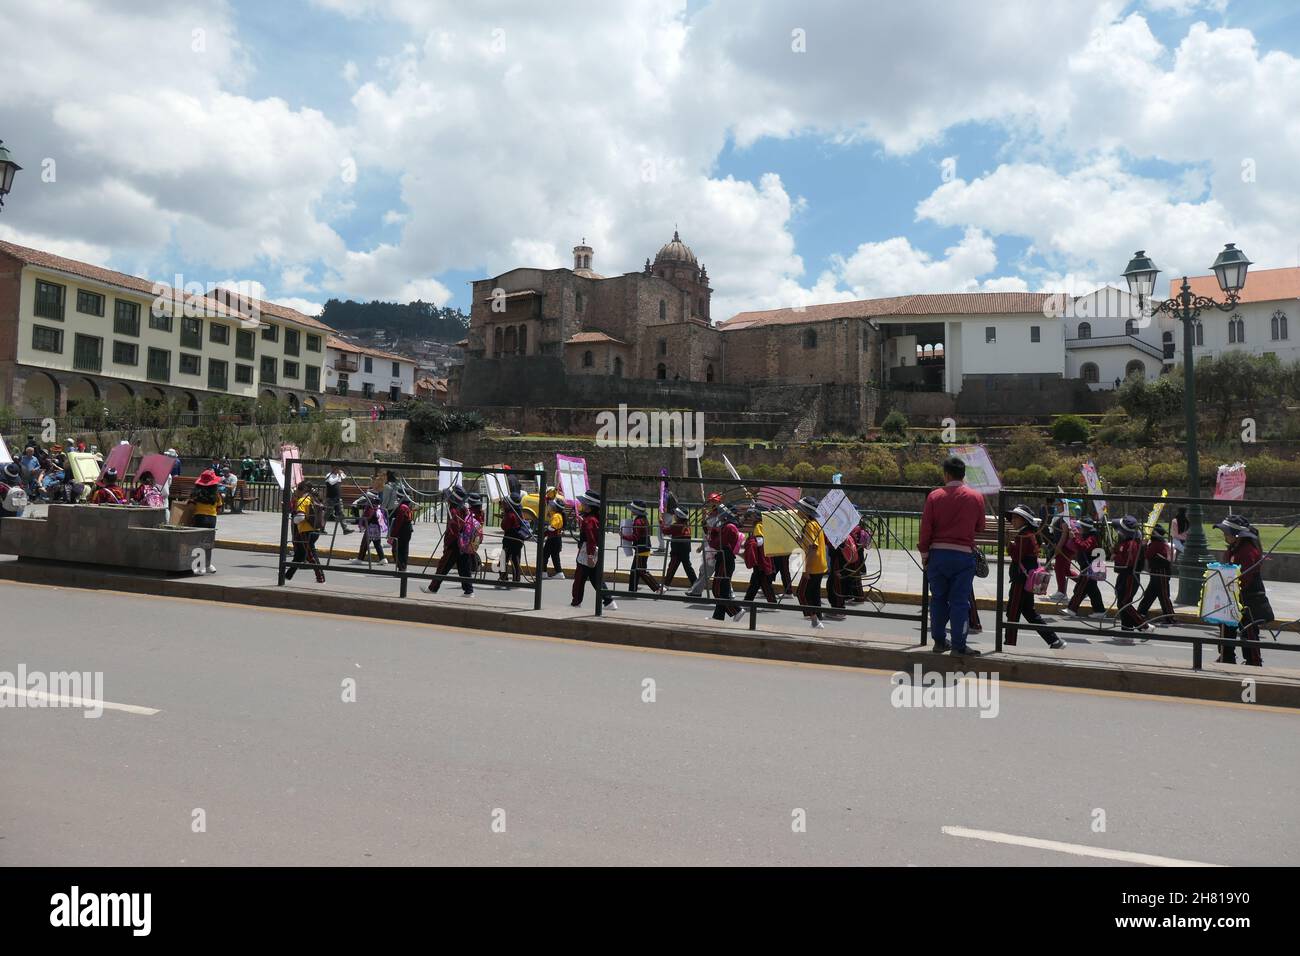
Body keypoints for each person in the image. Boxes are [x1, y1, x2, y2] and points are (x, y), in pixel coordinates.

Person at [918, 456, 987, 655]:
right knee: (959, 602)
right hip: (963, 557)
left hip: (937, 556)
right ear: (963, 475)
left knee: (938, 599)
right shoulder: (976, 497)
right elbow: (980, 526)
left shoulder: (934, 496)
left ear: (946, 474)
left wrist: (924, 554)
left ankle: (939, 641)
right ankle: (959, 645)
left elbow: (926, 530)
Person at [1003, 505, 1066, 649]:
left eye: (1015, 518)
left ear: (1023, 520)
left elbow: (1016, 556)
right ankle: (1054, 640)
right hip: (1026, 580)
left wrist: (1008, 544)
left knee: (1013, 612)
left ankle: (1009, 643)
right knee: (1029, 613)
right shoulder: (1028, 533)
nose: (1012, 521)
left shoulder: (1024, 536)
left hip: (1021, 580)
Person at [1215, 515, 1270, 666]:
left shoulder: (1248, 551)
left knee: (1249, 629)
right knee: (1226, 625)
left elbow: (1245, 577)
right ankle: (1227, 657)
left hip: (1248, 596)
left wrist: (1232, 587)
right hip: (1232, 595)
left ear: (1237, 534)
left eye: (1227, 532)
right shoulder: (1234, 548)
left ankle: (1253, 660)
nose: (1225, 535)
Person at [571, 491, 616, 609]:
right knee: (596, 579)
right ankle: (609, 601)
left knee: (579, 579)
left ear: (589, 507)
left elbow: (591, 539)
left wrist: (590, 556)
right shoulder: (593, 518)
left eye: (584, 503)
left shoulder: (589, 520)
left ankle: (576, 602)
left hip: (587, 553)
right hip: (592, 552)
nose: (582, 504)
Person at [428, 485, 468, 593]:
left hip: (454, 543)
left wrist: (447, 545)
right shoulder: (463, 509)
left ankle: (433, 588)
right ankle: (469, 590)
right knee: (463, 568)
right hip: (462, 543)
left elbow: (454, 530)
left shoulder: (454, 511)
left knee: (443, 566)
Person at [796, 495, 828, 629]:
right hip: (820, 565)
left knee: (801, 593)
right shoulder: (815, 524)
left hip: (812, 566)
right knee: (814, 594)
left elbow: (812, 548)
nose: (797, 510)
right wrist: (801, 540)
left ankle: (815, 620)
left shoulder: (809, 526)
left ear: (805, 510)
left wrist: (806, 570)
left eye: (799, 508)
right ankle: (818, 619)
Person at [1064, 517, 1106, 617]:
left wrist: (1074, 538)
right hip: (1088, 567)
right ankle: (1099, 611)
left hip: (1089, 568)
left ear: (1085, 528)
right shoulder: (1088, 536)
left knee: (1080, 588)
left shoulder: (1092, 538)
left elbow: (1084, 546)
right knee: (1092, 590)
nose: (1078, 529)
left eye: (1080, 527)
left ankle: (1072, 609)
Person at [286, 480, 326, 583]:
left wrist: (294, 519)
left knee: (311, 556)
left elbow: (300, 517)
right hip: (315, 530)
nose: (296, 492)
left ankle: (320, 578)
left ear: (302, 490)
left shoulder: (302, 500)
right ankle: (287, 575)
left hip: (305, 531)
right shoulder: (313, 498)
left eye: (297, 489)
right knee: (299, 554)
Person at [686, 493, 724, 598]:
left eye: (714, 501)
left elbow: (712, 531)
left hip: (714, 548)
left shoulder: (720, 515)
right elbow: (706, 533)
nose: (712, 503)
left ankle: (696, 590)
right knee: (707, 570)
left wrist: (705, 519)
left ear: (719, 502)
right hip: (709, 546)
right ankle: (696, 589)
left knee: (707, 570)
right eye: (711, 501)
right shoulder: (711, 514)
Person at [710, 506, 744, 622]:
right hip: (724, 559)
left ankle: (736, 610)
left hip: (725, 559)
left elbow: (717, 543)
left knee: (717, 589)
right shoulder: (727, 526)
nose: (719, 515)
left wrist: (713, 534)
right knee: (723, 590)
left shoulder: (729, 527)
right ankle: (717, 617)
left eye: (721, 513)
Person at [1137, 523, 1175, 625]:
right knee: (1150, 594)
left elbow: (1148, 555)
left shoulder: (1157, 544)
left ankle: (1170, 618)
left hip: (1160, 571)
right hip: (1156, 571)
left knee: (1163, 595)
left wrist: (1144, 546)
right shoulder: (1158, 543)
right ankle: (1141, 613)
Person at [623, 500, 663, 594]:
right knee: (634, 570)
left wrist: (623, 536)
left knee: (641, 571)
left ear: (636, 511)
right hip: (643, 547)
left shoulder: (638, 521)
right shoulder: (643, 519)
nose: (631, 510)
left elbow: (635, 536)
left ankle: (658, 588)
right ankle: (632, 590)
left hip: (641, 548)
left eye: (632, 509)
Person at [741, 504, 777, 605]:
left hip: (761, 557)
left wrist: (750, 542)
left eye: (753, 515)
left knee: (761, 581)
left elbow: (760, 541)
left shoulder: (758, 525)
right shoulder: (765, 524)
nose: (751, 517)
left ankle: (771, 602)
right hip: (765, 556)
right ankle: (748, 600)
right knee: (757, 581)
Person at [189, 469, 221, 574]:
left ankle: (200, 566)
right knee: (209, 543)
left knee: (198, 542)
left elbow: (190, 506)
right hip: (212, 519)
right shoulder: (216, 495)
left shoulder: (195, 494)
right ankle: (208, 564)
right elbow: (219, 508)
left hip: (199, 518)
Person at [662, 506, 697, 590]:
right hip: (685, 549)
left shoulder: (676, 525)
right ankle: (695, 584)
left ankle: (666, 584)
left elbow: (665, 531)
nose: (674, 515)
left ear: (678, 516)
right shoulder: (686, 525)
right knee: (688, 567)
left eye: (675, 514)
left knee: (672, 567)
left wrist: (661, 522)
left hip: (677, 549)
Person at [498, 490, 526, 584]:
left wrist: (504, 517)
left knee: (503, 558)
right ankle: (516, 579)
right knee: (516, 559)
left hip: (510, 539)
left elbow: (504, 526)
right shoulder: (520, 513)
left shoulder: (510, 515)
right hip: (518, 540)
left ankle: (503, 577)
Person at [355, 491, 388, 564]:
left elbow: (367, 517)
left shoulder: (371, 508)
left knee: (364, 543)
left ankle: (360, 559)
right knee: (377, 544)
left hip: (370, 527)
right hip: (377, 528)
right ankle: (382, 558)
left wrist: (363, 524)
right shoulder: (378, 507)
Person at [388, 491, 415, 573]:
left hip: (402, 530)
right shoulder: (406, 506)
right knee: (404, 549)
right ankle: (403, 567)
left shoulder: (402, 507)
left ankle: (401, 567)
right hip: (407, 529)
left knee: (396, 549)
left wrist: (393, 534)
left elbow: (399, 522)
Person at [323, 465, 353, 534]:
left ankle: (345, 529)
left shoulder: (338, 476)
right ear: (332, 468)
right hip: (331, 498)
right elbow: (331, 482)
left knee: (341, 513)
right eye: (336, 468)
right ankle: (321, 528)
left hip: (338, 498)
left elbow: (344, 477)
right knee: (327, 514)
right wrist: (339, 476)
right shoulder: (329, 475)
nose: (338, 469)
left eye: (338, 468)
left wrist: (341, 474)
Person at [542, 488, 565, 577]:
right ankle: (559, 573)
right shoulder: (558, 515)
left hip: (553, 539)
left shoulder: (556, 516)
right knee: (555, 556)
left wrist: (546, 530)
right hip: (556, 539)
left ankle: (543, 572)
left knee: (545, 555)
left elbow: (552, 527)